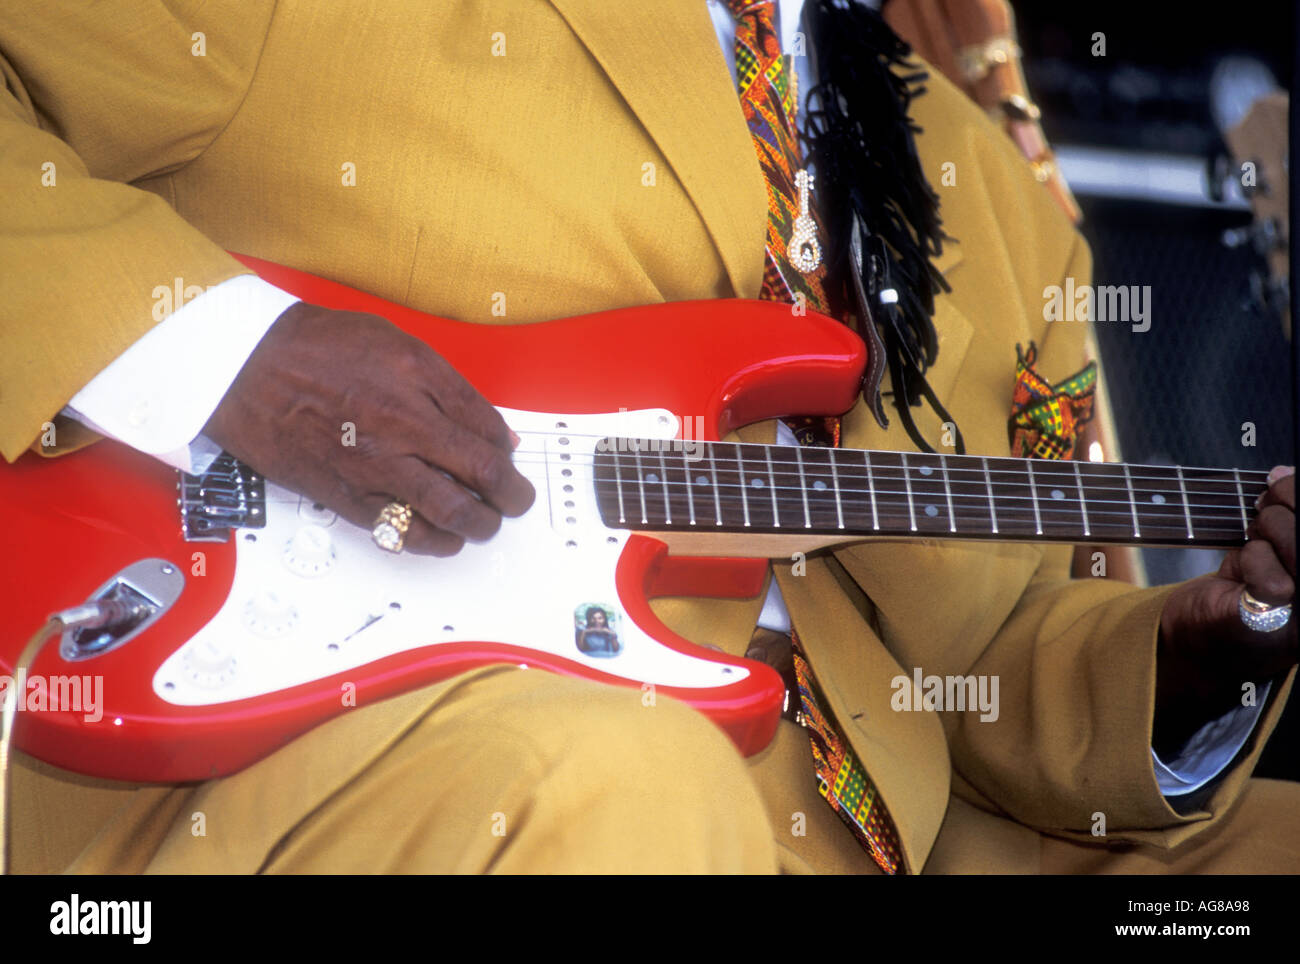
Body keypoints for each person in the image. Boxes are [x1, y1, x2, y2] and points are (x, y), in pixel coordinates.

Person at [2, 0, 1296, 875]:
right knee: (632, 787)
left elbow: (981, 661)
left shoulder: (996, 209)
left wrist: (1208, 647)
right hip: (331, 776)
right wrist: (230, 357)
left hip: (861, 835)